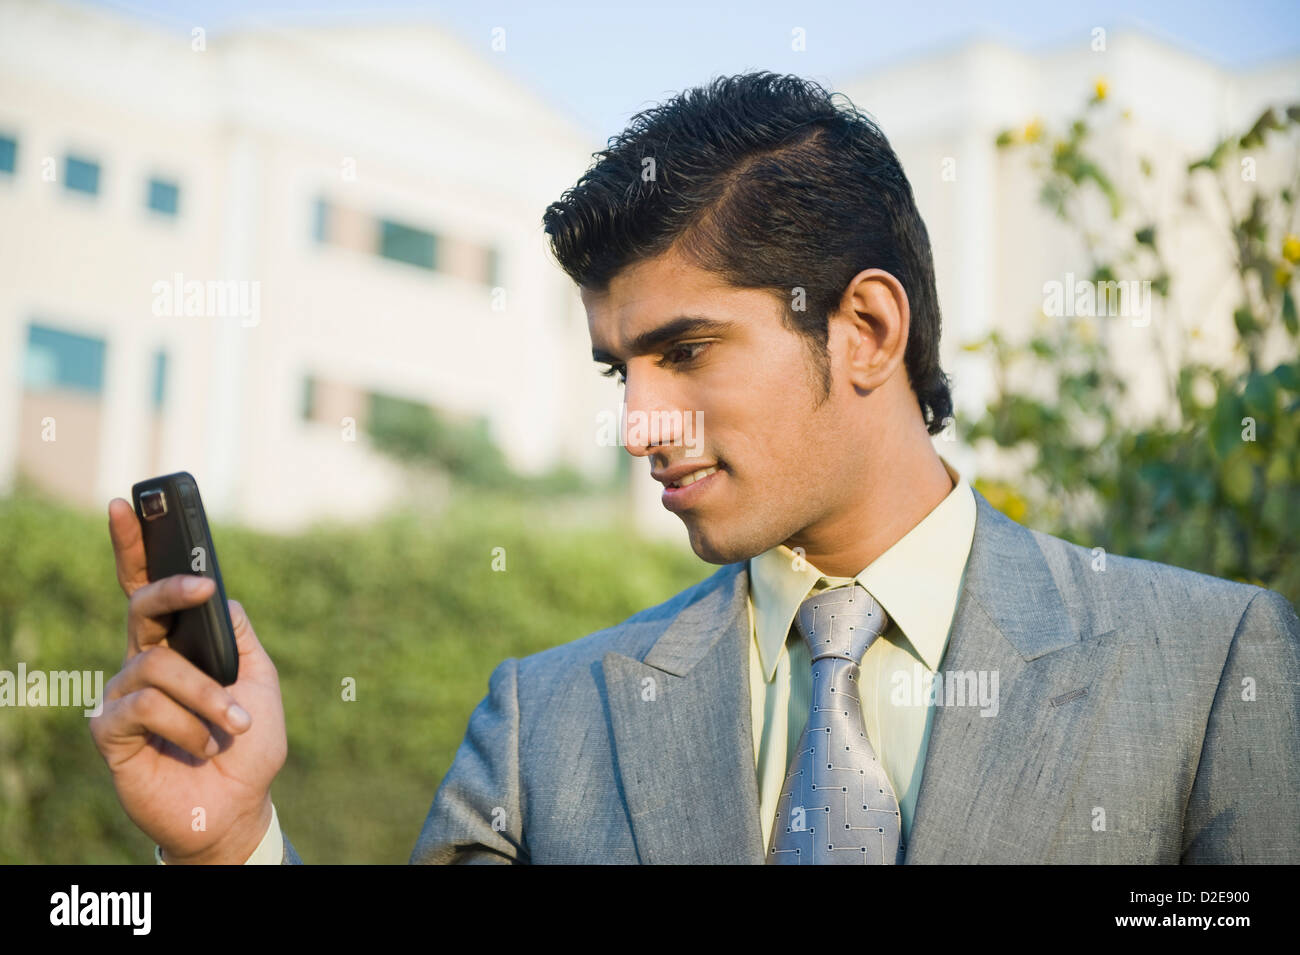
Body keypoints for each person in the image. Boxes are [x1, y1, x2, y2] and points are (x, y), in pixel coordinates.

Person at [93, 72, 1300, 864]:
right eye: (624, 369)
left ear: (866, 330)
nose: (640, 423)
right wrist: (231, 842)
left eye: (686, 351)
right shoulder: (544, 723)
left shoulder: (1207, 670)